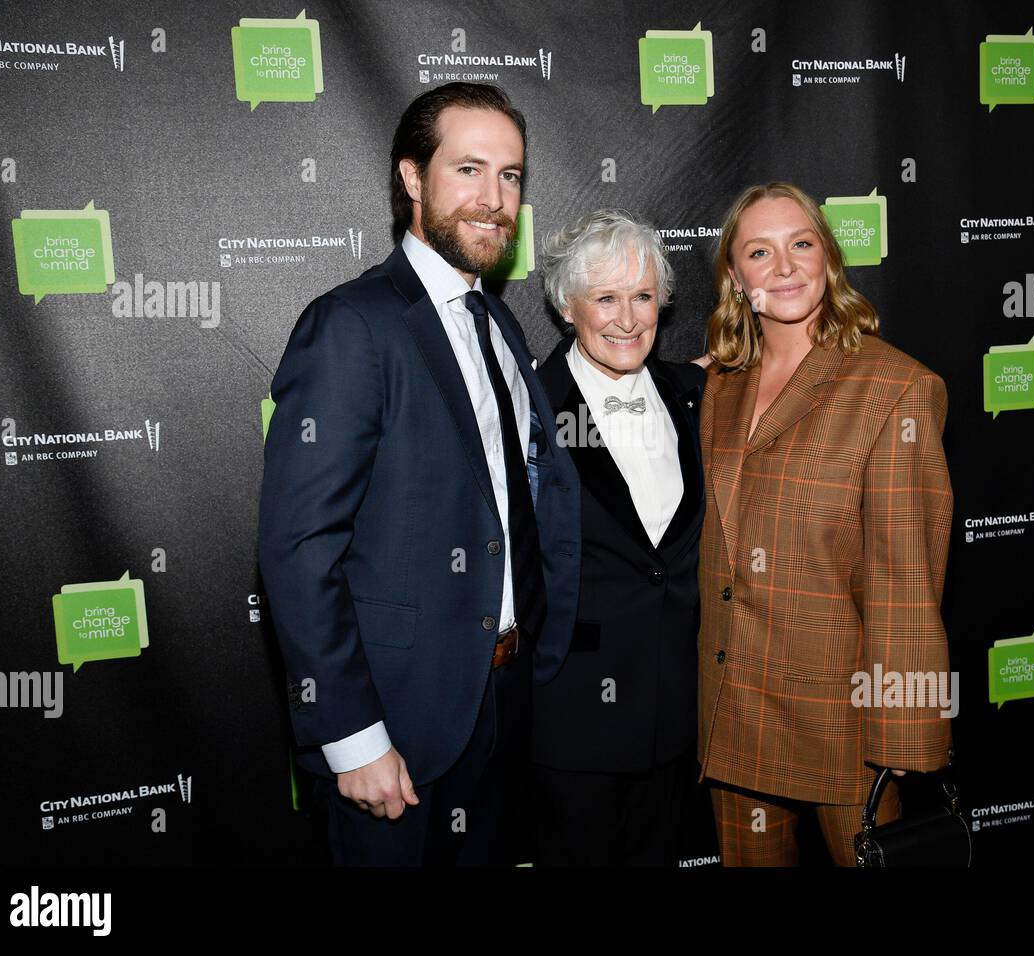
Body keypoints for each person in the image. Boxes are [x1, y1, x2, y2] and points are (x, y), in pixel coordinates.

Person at [257, 82, 580, 866]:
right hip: (395, 724)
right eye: (468, 170)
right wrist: (352, 735)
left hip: (503, 700)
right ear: (412, 178)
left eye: (510, 176)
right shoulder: (352, 325)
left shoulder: (498, 320)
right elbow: (299, 549)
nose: (494, 198)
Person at [696, 182, 954, 866]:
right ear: (735, 277)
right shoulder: (719, 387)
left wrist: (905, 727)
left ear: (829, 260)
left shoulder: (893, 387)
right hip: (734, 706)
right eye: (759, 251)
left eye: (801, 244)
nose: (783, 266)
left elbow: (906, 580)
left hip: (842, 720)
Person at [530, 209, 707, 865]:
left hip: (676, 718)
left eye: (642, 296)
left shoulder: (694, 393)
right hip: (571, 723)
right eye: (605, 298)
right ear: (567, 307)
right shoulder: (527, 409)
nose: (628, 319)